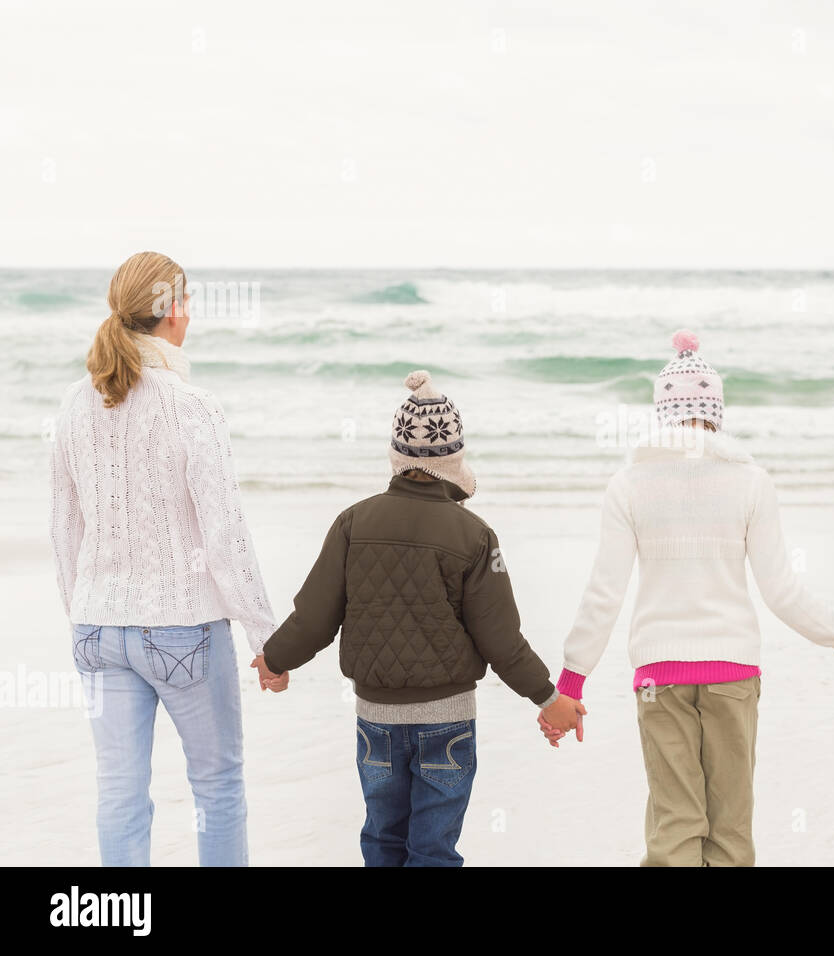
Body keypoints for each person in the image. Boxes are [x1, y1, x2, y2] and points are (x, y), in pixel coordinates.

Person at [541, 331, 834, 866]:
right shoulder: (751, 482)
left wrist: (569, 684)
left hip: (658, 677)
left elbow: (604, 592)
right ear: (716, 412)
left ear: (662, 413)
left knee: (675, 823)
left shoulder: (629, 484)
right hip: (733, 673)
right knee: (730, 828)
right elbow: (782, 590)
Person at [256, 371, 584, 866]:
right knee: (433, 849)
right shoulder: (476, 535)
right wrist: (548, 697)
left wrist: (276, 659)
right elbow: (501, 639)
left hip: (376, 719)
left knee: (383, 839)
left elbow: (316, 615)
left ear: (396, 454)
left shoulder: (353, 522)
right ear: (455, 460)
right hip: (447, 720)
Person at [50, 251, 278, 866]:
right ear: (174, 310)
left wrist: (85, 611)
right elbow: (225, 535)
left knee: (119, 796)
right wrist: (267, 640)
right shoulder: (190, 405)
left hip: (97, 629)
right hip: (183, 630)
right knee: (218, 789)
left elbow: (63, 530)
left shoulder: (75, 403)